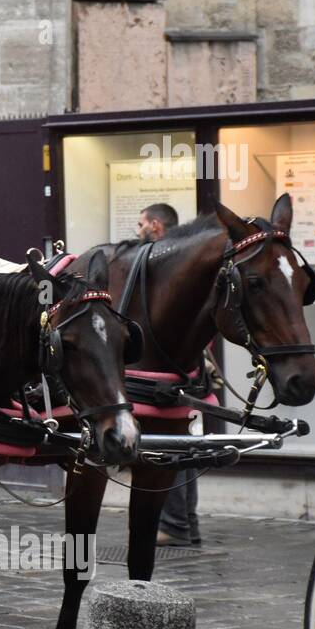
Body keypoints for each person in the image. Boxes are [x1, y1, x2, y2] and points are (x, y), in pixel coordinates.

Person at [135, 202, 202, 546]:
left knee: (166, 442)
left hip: (162, 371)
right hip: (183, 369)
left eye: (141, 223)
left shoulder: (158, 263)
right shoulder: (180, 262)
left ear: (156, 226)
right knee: (183, 444)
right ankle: (185, 521)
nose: (137, 230)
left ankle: (175, 524)